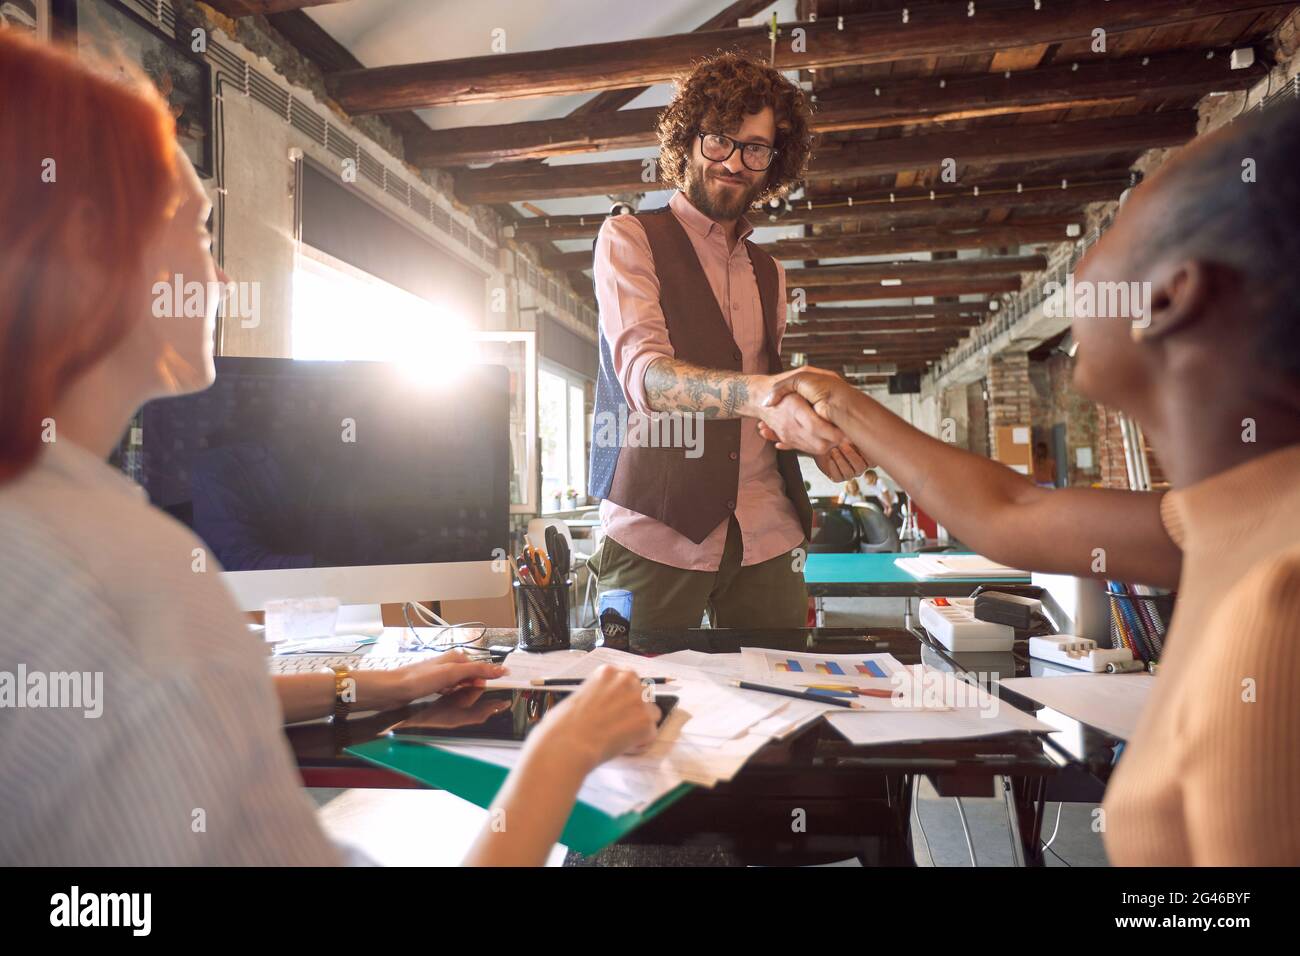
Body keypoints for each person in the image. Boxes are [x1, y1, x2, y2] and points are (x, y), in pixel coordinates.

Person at [0, 29, 660, 866]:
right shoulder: (129, 575)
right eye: (200, 231)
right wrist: (563, 754)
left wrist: (376, 682)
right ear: (94, 250)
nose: (219, 278)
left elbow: (164, 698)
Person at [760, 102, 1300, 865]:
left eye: (1115, 226)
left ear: (1172, 297)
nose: (1084, 253)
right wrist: (839, 398)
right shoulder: (1219, 518)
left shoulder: (1282, 599)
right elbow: (1007, 510)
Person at [587, 52, 866, 631]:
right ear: (689, 139)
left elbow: (763, 414)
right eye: (720, 140)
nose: (735, 163)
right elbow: (645, 378)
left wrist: (814, 436)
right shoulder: (629, 237)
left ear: (775, 162)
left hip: (770, 536)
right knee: (639, 713)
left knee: (782, 710)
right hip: (657, 534)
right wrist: (764, 395)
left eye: (756, 149)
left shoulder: (772, 272)